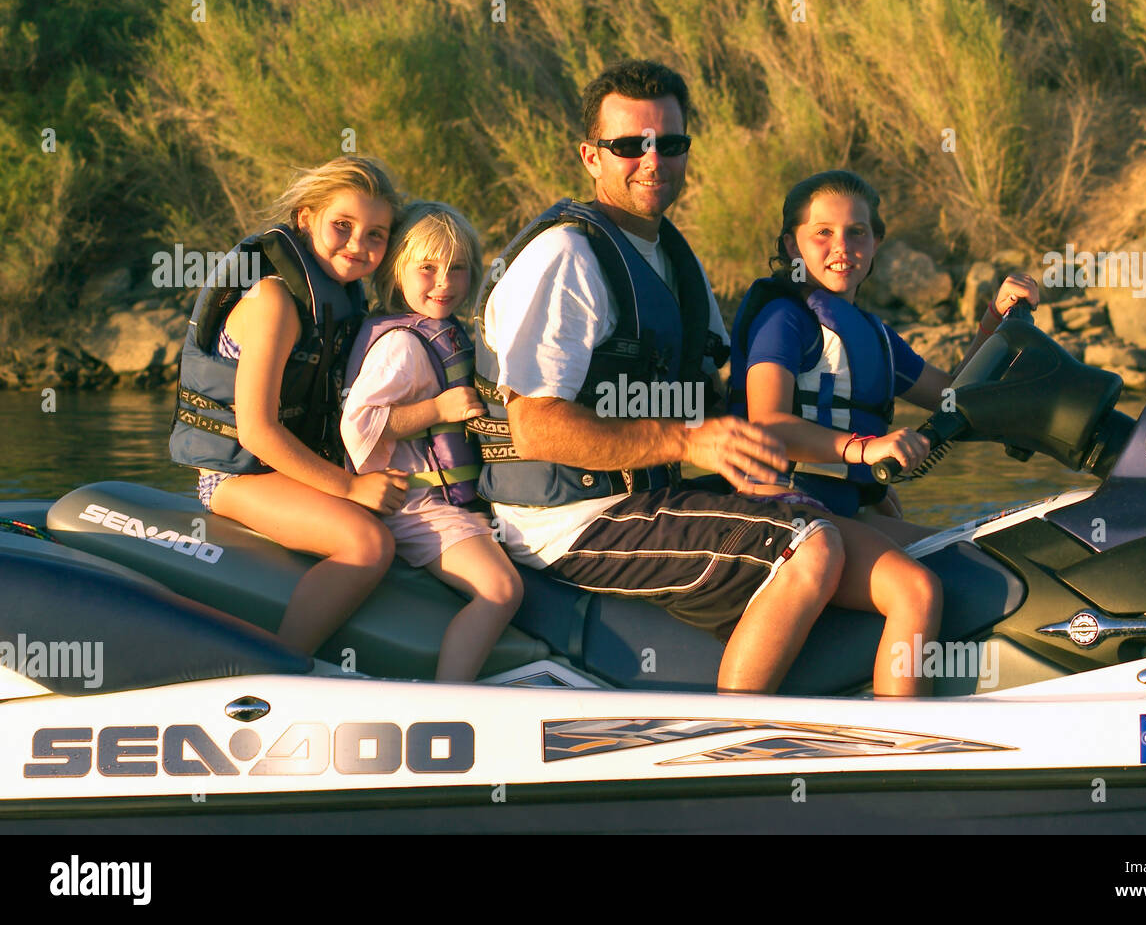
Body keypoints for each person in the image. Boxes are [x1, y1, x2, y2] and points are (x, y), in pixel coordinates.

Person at [473, 59, 936, 695]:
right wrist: (690, 443)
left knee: (878, 539)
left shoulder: (671, 260)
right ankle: (737, 744)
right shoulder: (568, 257)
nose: (652, 159)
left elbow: (716, 407)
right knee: (809, 547)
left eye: (670, 143)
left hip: (648, 503)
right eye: (630, 145)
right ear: (590, 156)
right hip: (566, 519)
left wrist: (840, 471)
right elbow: (534, 428)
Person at [170, 156, 408, 654]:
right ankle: (284, 664)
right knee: (368, 544)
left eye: (376, 235)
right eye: (342, 226)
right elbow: (256, 432)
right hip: (238, 476)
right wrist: (350, 487)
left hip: (293, 468)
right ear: (305, 218)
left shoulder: (340, 298)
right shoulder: (275, 302)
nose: (357, 245)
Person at [729, 170, 1039, 546]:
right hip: (783, 509)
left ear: (876, 242)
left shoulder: (875, 336)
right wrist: (866, 449)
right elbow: (768, 424)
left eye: (856, 232)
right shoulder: (782, 320)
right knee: (920, 588)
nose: (842, 246)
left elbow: (952, 394)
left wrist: (993, 319)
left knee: (963, 556)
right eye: (823, 232)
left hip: (845, 507)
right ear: (793, 247)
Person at [340, 202, 522, 682]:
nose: (444, 282)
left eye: (457, 268)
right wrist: (438, 410)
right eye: (428, 268)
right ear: (398, 270)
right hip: (416, 506)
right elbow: (359, 424)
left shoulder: (442, 332)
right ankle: (452, 696)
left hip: (445, 498)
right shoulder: (403, 345)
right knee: (502, 589)